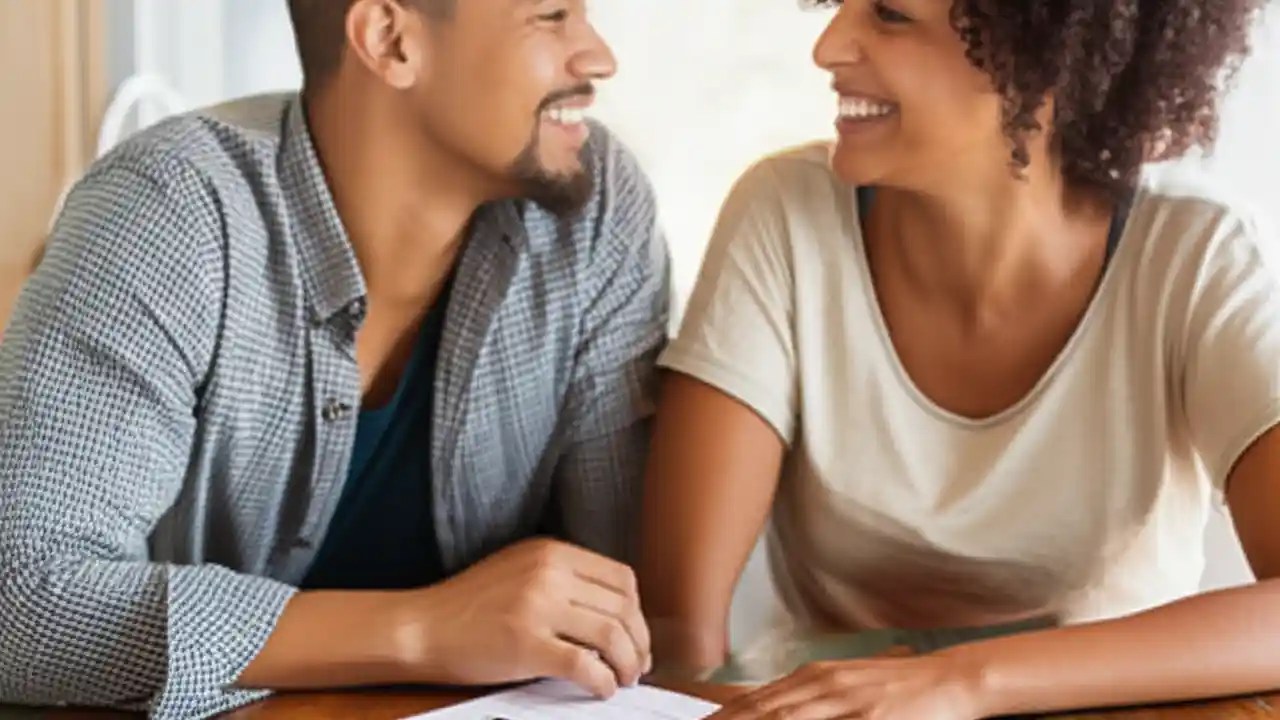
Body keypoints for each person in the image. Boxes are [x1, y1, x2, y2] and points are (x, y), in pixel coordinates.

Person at [0, 0, 668, 717]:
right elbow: (21, 601)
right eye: (552, 15)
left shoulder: (593, 212)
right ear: (390, 39)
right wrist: (425, 630)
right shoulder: (169, 210)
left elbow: (633, 608)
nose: (598, 57)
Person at [639, 0, 1280, 718]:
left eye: (889, 16)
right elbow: (677, 644)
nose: (827, 46)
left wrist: (962, 682)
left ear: (1041, 55)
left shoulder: (1195, 253)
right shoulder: (786, 214)